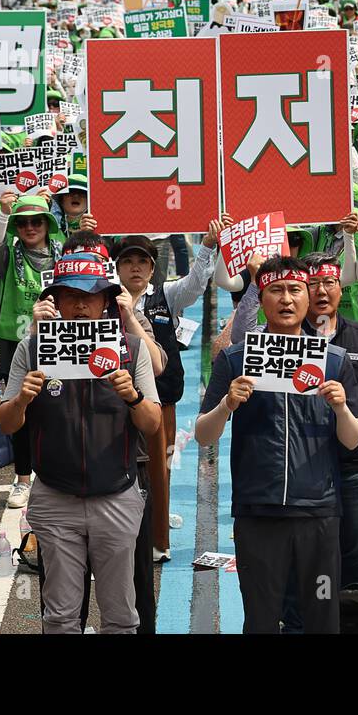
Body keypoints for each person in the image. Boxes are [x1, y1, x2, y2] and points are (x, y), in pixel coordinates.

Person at [0, 252, 162, 634]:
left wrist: (132, 396)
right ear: (56, 301)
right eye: (70, 295)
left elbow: (152, 424)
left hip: (117, 495)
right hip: (55, 498)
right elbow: (7, 423)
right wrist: (22, 399)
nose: (81, 304)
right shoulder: (32, 348)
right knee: (60, 616)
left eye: (91, 295)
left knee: (121, 615)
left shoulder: (131, 349)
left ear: (107, 300)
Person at [196, 255, 358, 633]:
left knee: (322, 619)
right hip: (258, 511)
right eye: (275, 290)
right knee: (261, 619)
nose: (286, 299)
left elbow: (353, 440)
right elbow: (205, 434)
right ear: (261, 297)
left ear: (307, 298)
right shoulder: (237, 358)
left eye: (294, 290)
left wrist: (340, 409)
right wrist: (226, 404)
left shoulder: (333, 361)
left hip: (318, 511)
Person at [231, 250, 358, 592]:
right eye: (312, 283)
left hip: (351, 465)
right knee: (307, 565)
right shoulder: (283, 336)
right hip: (306, 472)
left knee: (355, 552)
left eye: (328, 282)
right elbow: (239, 339)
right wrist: (254, 285)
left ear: (340, 288)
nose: (321, 291)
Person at [112, 229, 222, 562]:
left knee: (159, 470)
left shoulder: (166, 294)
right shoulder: (104, 300)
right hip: (114, 399)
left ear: (151, 266)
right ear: (116, 267)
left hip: (160, 400)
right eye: (127, 261)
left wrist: (206, 247)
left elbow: (194, 286)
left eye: (141, 262)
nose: (135, 268)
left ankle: (158, 541)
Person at [0, 193, 64, 509]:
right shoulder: (8, 253)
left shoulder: (64, 253)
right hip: (15, 340)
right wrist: (4, 215)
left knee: (57, 405)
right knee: (20, 406)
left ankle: (56, 470)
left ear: (48, 224)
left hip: (60, 338)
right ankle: (22, 479)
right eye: (24, 222)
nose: (30, 227)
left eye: (37, 221)